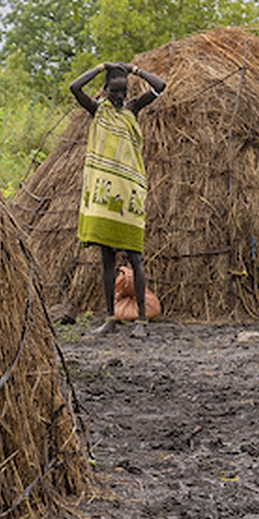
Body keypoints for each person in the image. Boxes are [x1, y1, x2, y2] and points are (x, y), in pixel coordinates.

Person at [70, 59, 168, 338]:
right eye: (114, 91)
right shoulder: (97, 110)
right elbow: (75, 87)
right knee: (106, 258)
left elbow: (160, 87)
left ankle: (140, 322)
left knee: (135, 256)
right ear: (104, 90)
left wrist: (134, 70)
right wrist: (101, 67)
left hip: (128, 192)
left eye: (123, 91)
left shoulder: (132, 109)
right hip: (104, 194)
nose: (119, 96)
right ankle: (111, 317)